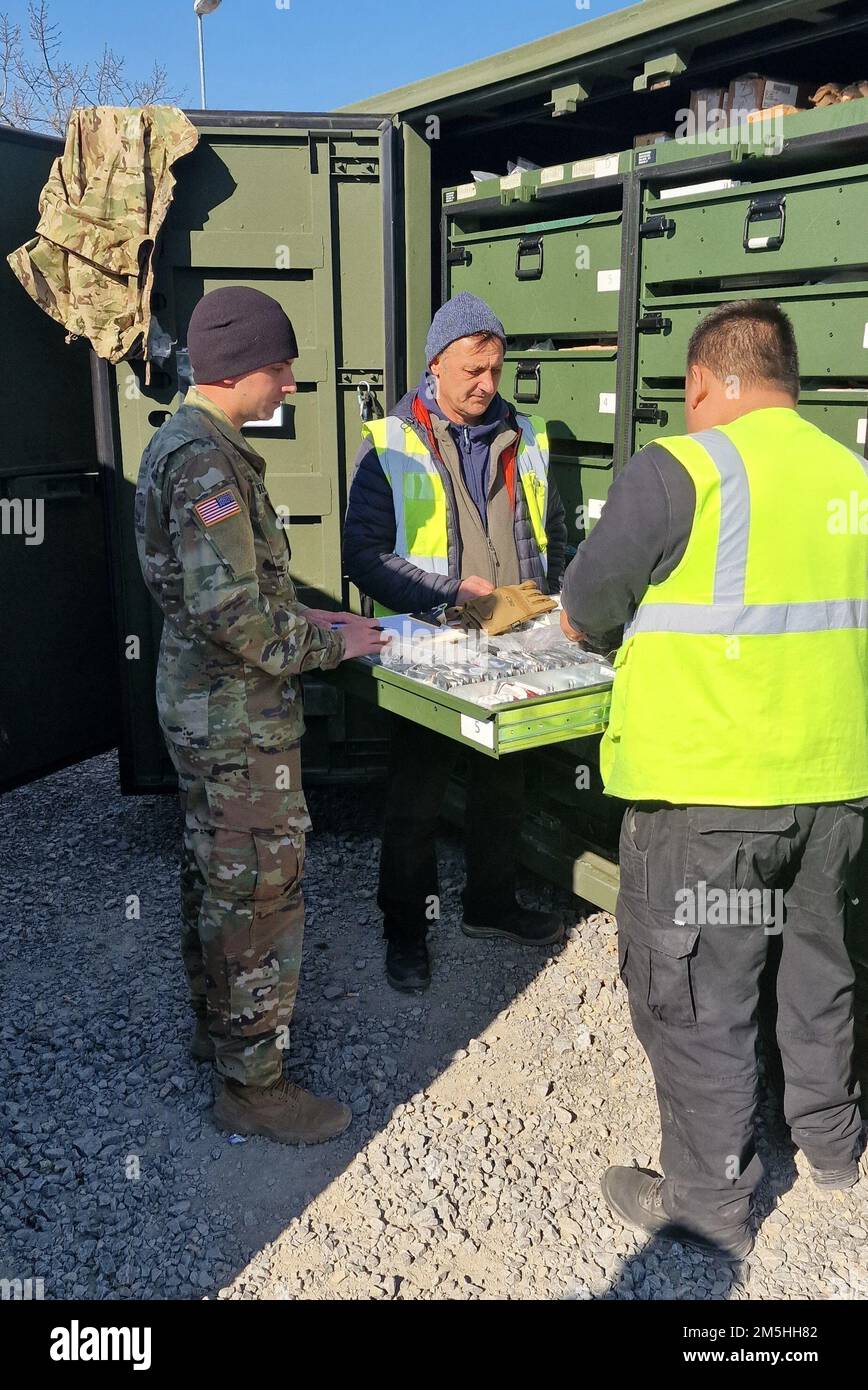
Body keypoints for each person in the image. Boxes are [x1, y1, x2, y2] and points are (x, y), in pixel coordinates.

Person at [560, 299, 868, 1260]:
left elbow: (581, 612)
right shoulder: (853, 478)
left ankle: (707, 1201)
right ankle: (831, 1149)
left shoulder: (677, 470)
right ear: (789, 381)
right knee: (824, 972)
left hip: (712, 800)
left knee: (699, 996)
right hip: (842, 790)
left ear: (703, 383)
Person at [135, 286, 387, 1144]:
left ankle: (221, 1037)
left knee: (217, 870)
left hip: (205, 706)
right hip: (236, 720)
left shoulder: (187, 445)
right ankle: (255, 1084)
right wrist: (335, 648)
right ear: (244, 369)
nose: (286, 387)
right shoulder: (207, 463)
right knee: (257, 894)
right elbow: (237, 617)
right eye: (281, 370)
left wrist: (319, 620)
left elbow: (230, 596)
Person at [343, 292, 568, 991]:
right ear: (435, 364)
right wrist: (447, 594)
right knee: (416, 798)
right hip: (430, 652)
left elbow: (553, 532)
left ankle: (489, 905)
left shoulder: (525, 437)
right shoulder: (391, 442)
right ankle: (405, 930)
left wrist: (554, 601)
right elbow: (364, 554)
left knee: (504, 786)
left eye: (496, 370)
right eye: (474, 369)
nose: (487, 385)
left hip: (513, 647)